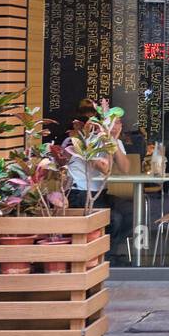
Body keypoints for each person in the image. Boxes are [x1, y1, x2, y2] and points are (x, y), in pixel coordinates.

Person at [67, 98, 131, 241]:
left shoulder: (114, 141)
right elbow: (105, 169)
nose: (118, 125)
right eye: (115, 121)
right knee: (115, 218)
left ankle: (110, 253)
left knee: (131, 212)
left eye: (119, 122)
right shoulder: (90, 139)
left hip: (99, 193)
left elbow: (125, 168)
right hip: (80, 194)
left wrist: (113, 141)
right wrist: (109, 142)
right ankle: (106, 256)